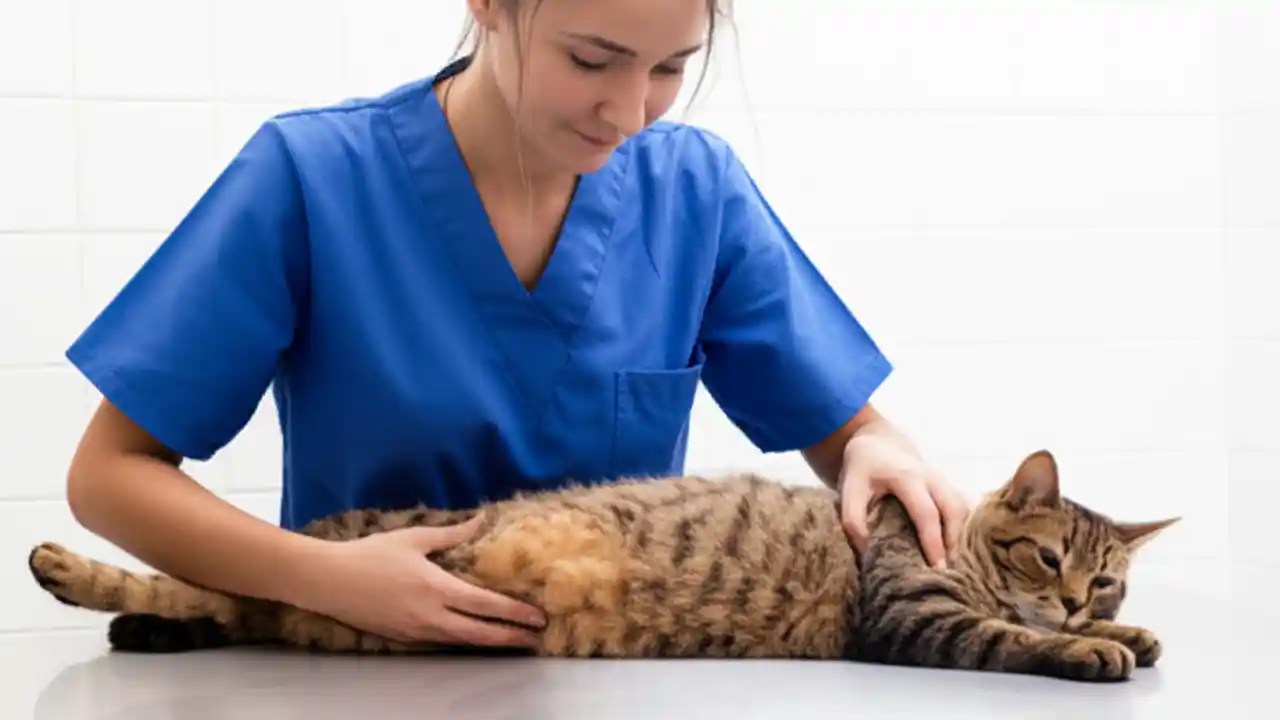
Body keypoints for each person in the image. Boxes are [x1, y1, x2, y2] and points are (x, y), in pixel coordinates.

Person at [62, 0, 969, 651]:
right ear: (487, 4)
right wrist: (324, 577)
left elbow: (844, 433)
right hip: (354, 671)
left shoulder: (695, 190)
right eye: (591, 59)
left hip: (606, 676)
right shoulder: (312, 177)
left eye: (668, 69)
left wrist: (874, 446)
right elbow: (109, 478)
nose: (629, 112)